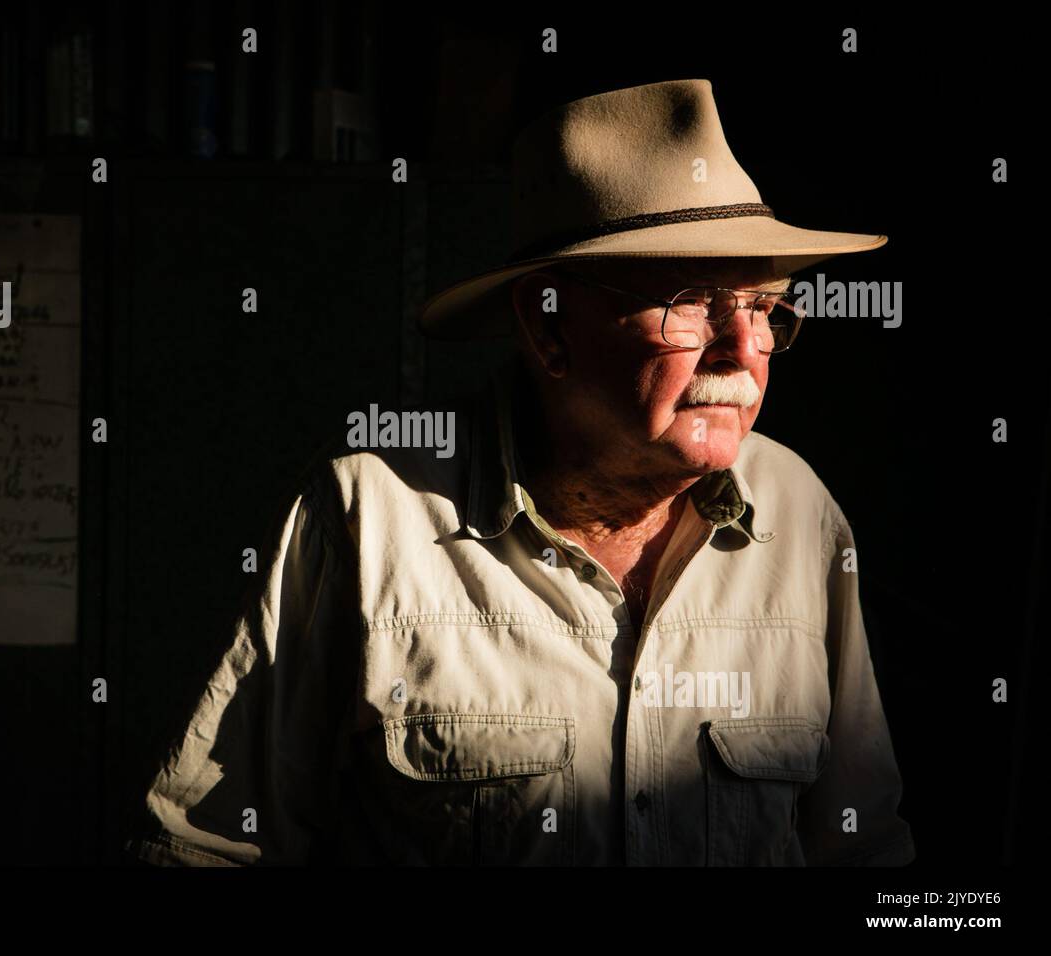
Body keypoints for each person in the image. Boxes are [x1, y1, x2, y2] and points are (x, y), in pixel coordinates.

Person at [131, 78, 915, 866]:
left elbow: (863, 845)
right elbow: (204, 847)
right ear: (549, 329)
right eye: (692, 302)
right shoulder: (369, 517)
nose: (743, 350)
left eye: (762, 306)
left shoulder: (798, 513)